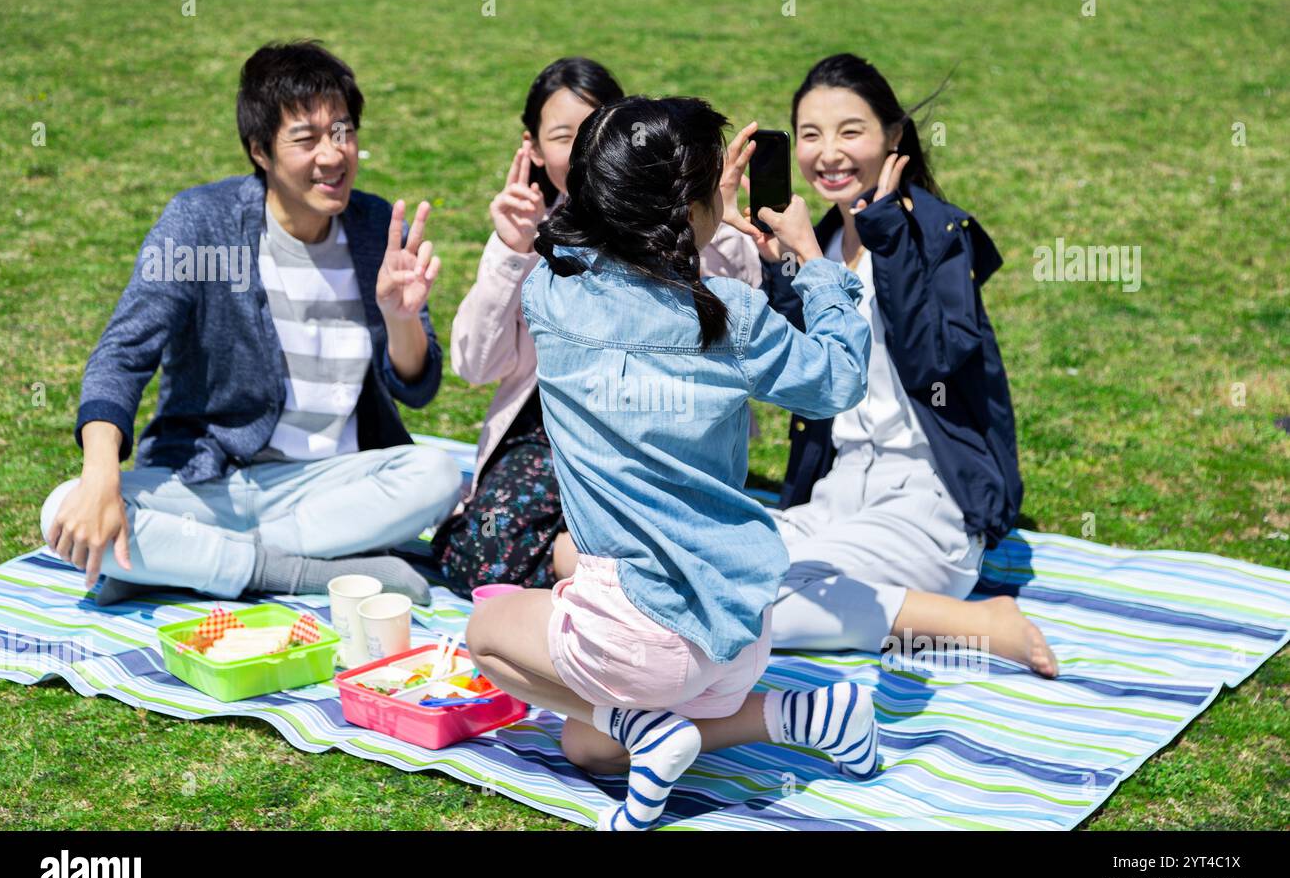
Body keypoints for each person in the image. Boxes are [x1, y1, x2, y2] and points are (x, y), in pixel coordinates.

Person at [465, 96, 879, 831]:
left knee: (487, 635)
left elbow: (610, 267)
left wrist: (695, 212)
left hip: (638, 646)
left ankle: (646, 728)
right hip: (740, 631)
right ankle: (803, 712)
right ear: (689, 206)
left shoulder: (549, 296)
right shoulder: (732, 314)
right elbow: (838, 378)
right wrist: (813, 265)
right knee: (584, 742)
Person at [39, 40, 460, 606]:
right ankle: (295, 572)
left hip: (330, 486)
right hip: (211, 482)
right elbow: (123, 352)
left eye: (343, 132)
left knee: (435, 474)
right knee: (60, 507)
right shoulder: (201, 225)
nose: (333, 156)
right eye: (305, 139)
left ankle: (188, 562)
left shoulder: (375, 226)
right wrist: (99, 476)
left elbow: (417, 384)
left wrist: (399, 317)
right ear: (260, 151)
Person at [753, 54, 1056, 676]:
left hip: (927, 497)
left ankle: (981, 622)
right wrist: (784, 268)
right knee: (723, 577)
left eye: (850, 131)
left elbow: (935, 363)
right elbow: (799, 380)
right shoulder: (822, 243)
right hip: (838, 493)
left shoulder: (942, 235)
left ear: (894, 137)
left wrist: (886, 234)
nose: (828, 152)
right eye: (810, 135)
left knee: (766, 608)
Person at [431, 57, 762, 596]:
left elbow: (736, 317)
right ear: (533, 149)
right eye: (564, 135)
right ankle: (623, 569)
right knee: (484, 557)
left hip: (662, 421)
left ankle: (611, 564)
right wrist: (513, 253)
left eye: (597, 126)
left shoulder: (677, 217)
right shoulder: (529, 227)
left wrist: (712, 218)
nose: (585, 146)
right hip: (554, 421)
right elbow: (474, 366)